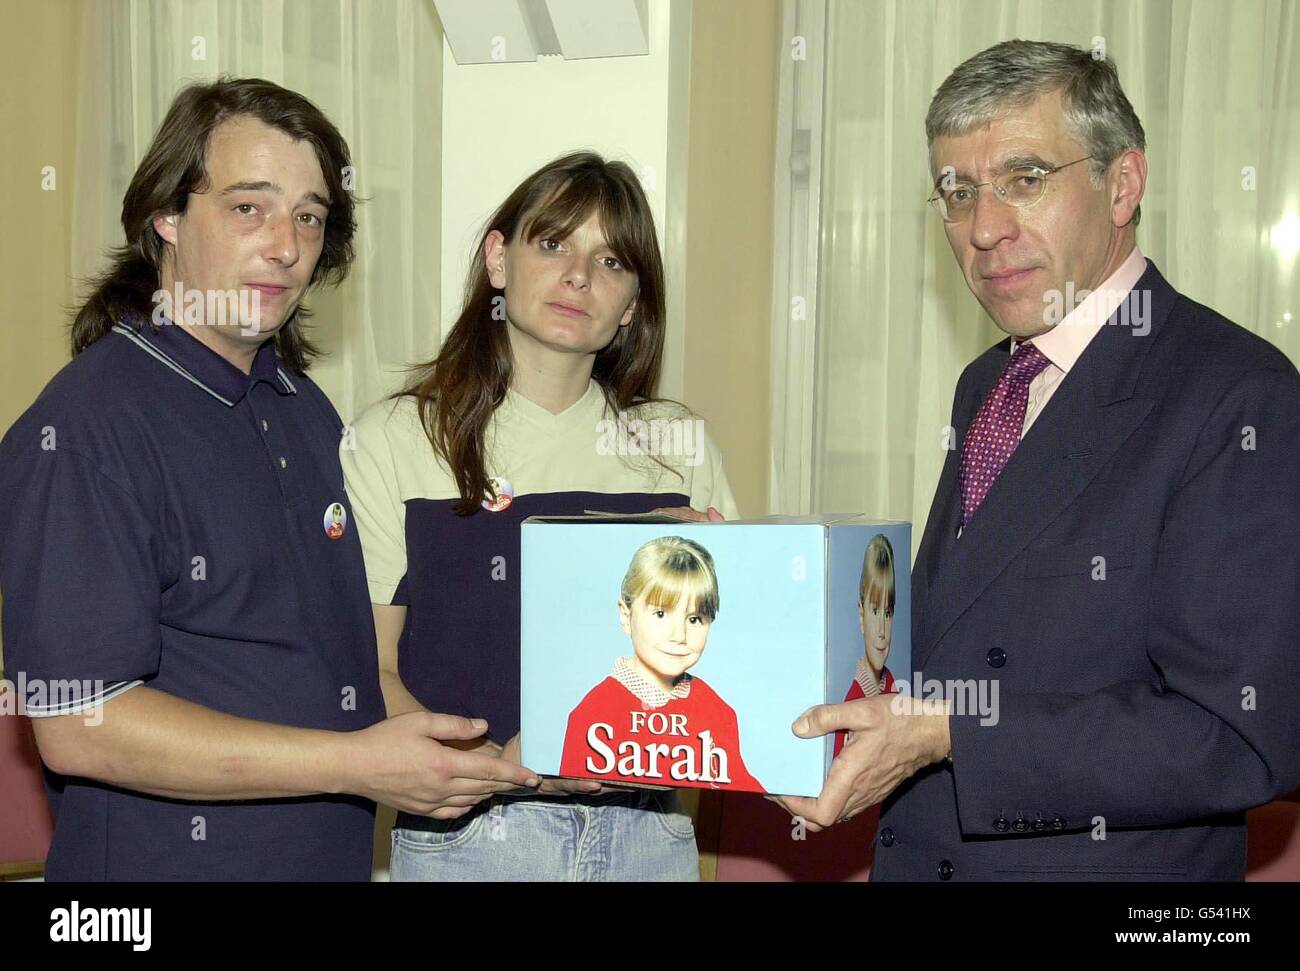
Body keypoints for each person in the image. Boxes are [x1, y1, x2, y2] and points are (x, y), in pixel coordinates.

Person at [777, 39, 1300, 880]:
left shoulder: (1238, 395)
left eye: (1025, 179)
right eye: (957, 191)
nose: (983, 228)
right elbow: (967, 635)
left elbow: (1239, 737)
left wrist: (948, 733)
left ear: (1123, 184)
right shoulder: (987, 379)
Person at [0, 77, 535, 881]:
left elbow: (337, 657)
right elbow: (80, 724)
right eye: (249, 207)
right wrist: (352, 763)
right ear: (167, 216)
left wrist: (485, 749)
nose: (286, 244)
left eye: (310, 217)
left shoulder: (305, 410)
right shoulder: (84, 428)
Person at [341, 151, 739, 881]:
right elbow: (371, 668)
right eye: (552, 242)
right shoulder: (395, 439)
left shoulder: (678, 445)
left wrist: (731, 582)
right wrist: (495, 768)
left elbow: (723, 672)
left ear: (632, 305)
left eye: (611, 260)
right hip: (470, 837)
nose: (579, 276)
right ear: (498, 258)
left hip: (647, 837)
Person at [559, 535, 763, 791]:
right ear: (626, 615)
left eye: (694, 619)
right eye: (660, 613)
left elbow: (738, 782)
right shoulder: (593, 713)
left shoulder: (718, 711)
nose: (679, 635)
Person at [832, 534, 897, 759]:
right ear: (861, 615)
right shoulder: (851, 706)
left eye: (887, 613)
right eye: (875, 611)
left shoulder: (896, 689)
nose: (881, 630)